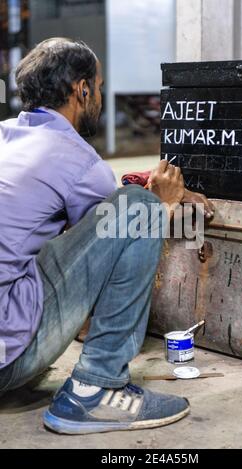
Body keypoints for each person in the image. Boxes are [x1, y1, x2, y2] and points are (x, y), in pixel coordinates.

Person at [0, 38, 214, 434]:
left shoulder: (5, 136)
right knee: (137, 206)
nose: (99, 94)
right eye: (98, 86)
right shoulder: (78, 160)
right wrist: (161, 205)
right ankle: (95, 389)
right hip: (6, 362)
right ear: (81, 90)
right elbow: (119, 242)